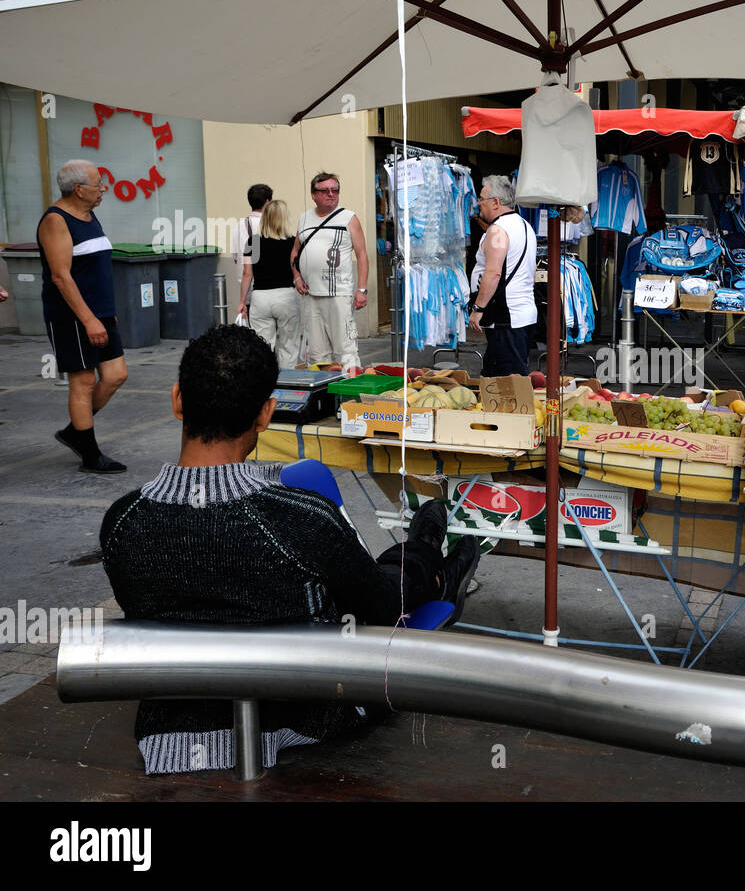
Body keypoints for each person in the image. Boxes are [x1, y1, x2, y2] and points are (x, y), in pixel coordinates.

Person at [99, 324, 479, 774]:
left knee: (382, 568)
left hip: (168, 737)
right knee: (396, 579)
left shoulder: (121, 522)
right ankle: (434, 558)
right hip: (306, 724)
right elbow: (380, 611)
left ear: (177, 399)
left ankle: (429, 549)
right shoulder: (298, 517)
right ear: (266, 414)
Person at [38, 159, 128, 473]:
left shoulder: (89, 215)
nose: (103, 188)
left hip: (100, 312)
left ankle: (76, 431)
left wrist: (106, 313)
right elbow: (61, 277)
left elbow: (96, 271)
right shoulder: (55, 220)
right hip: (71, 315)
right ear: (78, 189)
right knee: (84, 381)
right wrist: (89, 319)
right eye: (98, 183)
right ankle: (90, 455)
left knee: (116, 375)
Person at [291, 172, 369, 371]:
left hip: (338, 295)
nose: (331, 194)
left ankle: (349, 393)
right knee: (317, 353)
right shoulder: (304, 218)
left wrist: (362, 289)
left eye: (335, 190)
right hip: (310, 295)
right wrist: (297, 277)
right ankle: (322, 397)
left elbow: (362, 255)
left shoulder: (349, 218)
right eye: (324, 190)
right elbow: (295, 252)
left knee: (345, 350)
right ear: (313, 194)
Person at [468, 175, 537, 377]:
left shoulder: (498, 230)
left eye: (482, 199)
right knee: (497, 376)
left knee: (507, 382)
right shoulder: (524, 225)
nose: (478, 204)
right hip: (521, 315)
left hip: (505, 318)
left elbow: (493, 272)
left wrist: (478, 308)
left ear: (496, 202)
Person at [238, 199, 301, 369]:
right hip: (286, 296)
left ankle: (264, 384)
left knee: (262, 347)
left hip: (260, 298)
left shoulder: (253, 242)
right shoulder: (293, 242)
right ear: (284, 218)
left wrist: (242, 302)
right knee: (289, 344)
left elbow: (247, 274)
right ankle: (287, 383)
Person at [232, 182, 272, 282]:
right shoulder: (271, 224)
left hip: (245, 283)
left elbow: (236, 258)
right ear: (267, 202)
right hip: (265, 282)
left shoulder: (240, 224)